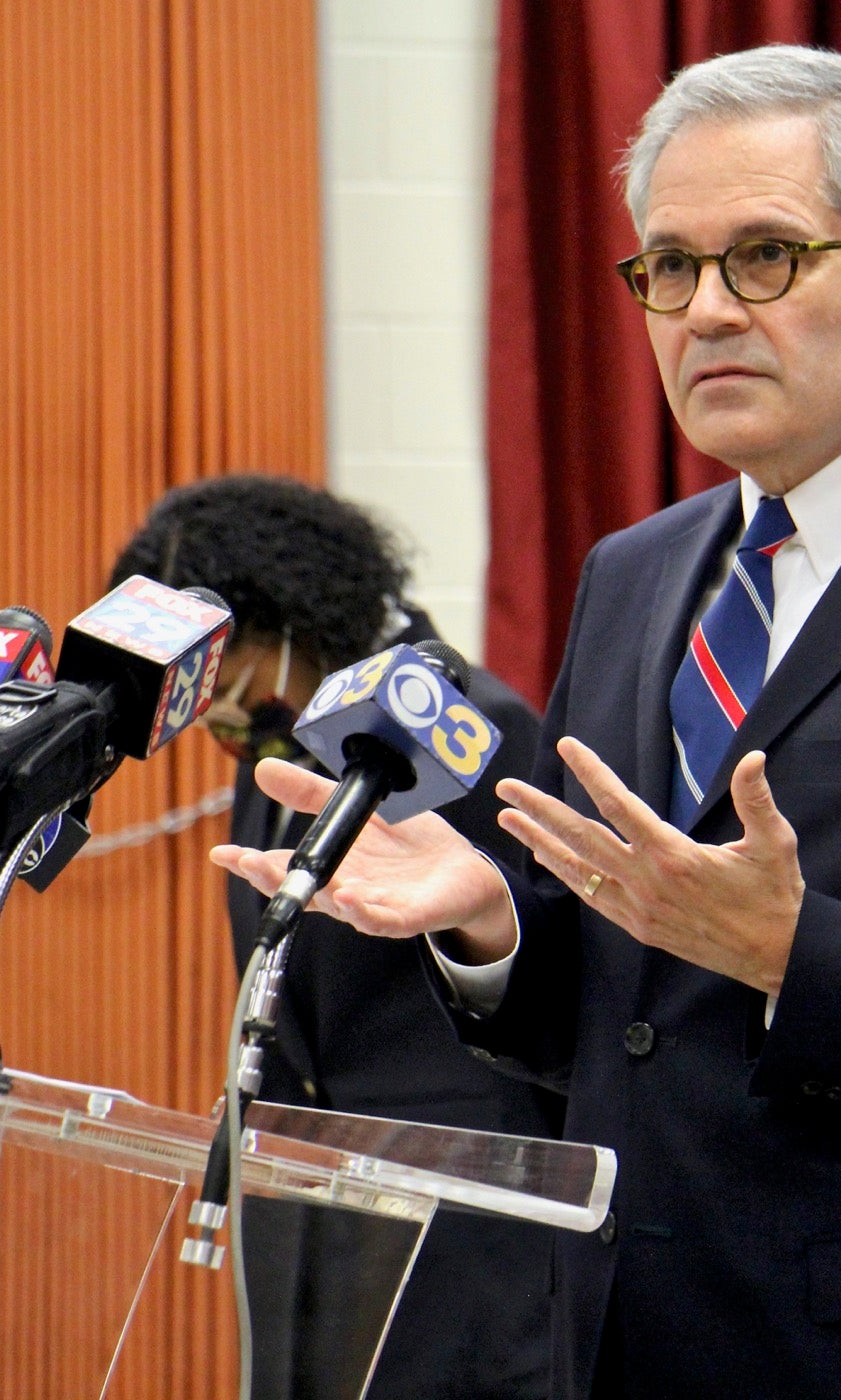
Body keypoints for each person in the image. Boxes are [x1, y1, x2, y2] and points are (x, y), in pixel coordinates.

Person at [214, 46, 841, 1399]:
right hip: (621, 1351)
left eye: (765, 257)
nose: (704, 311)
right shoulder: (636, 573)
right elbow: (630, 1023)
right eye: (670, 266)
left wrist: (801, 956)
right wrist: (492, 927)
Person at [111, 474, 557, 1399]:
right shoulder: (284, 749)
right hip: (311, 1221)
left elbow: (542, 986)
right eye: (203, 703)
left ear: (301, 617)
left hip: (459, 1232)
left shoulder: (478, 729)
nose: (224, 722)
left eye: (235, 682)